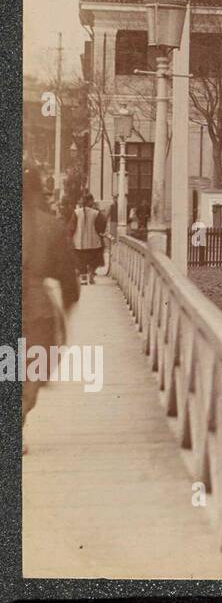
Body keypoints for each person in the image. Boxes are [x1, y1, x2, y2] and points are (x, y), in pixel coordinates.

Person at [22, 167, 80, 450]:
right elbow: (68, 278)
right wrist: (67, 309)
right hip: (36, 308)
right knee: (30, 369)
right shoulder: (50, 225)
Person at [70, 194, 104, 285]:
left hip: (79, 243)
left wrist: (70, 237)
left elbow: (71, 227)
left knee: (81, 262)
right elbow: (101, 226)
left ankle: (83, 279)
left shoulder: (76, 212)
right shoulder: (96, 213)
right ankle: (91, 274)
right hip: (93, 243)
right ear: (91, 202)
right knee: (94, 260)